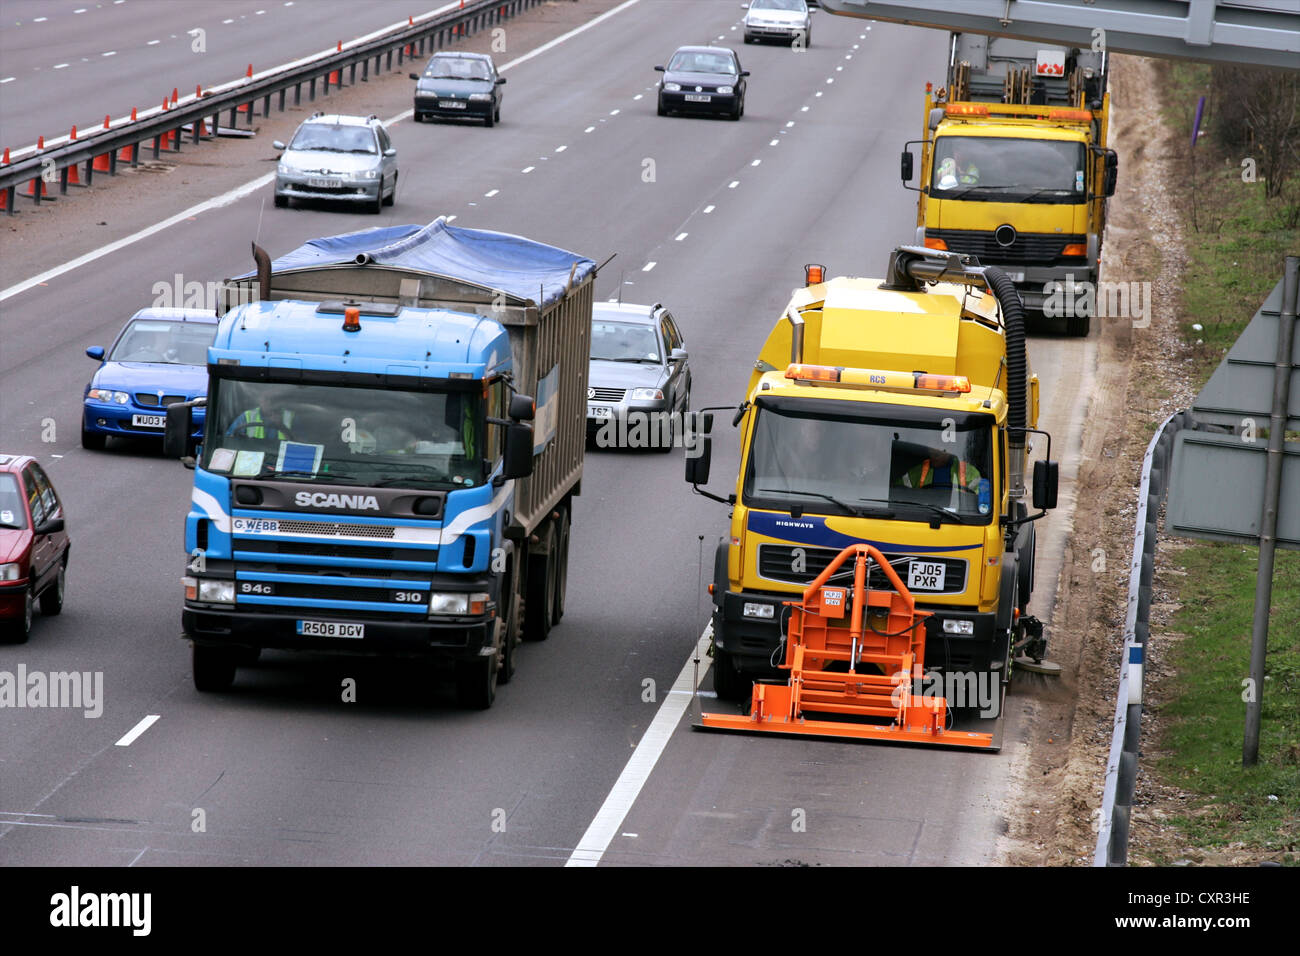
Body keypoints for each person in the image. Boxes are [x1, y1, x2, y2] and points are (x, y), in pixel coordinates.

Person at [897, 447, 981, 494]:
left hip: (959, 520)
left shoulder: (968, 472)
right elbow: (898, 492)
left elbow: (982, 501)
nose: (934, 452)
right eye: (931, 449)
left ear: (949, 450)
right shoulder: (917, 472)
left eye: (939, 450)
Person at [227, 395, 295, 440]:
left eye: (273, 398)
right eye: (266, 398)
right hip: (253, 458)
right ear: (259, 400)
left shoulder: (291, 417)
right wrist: (243, 439)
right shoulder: (247, 416)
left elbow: (301, 444)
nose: (269, 402)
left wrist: (282, 427)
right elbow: (229, 439)